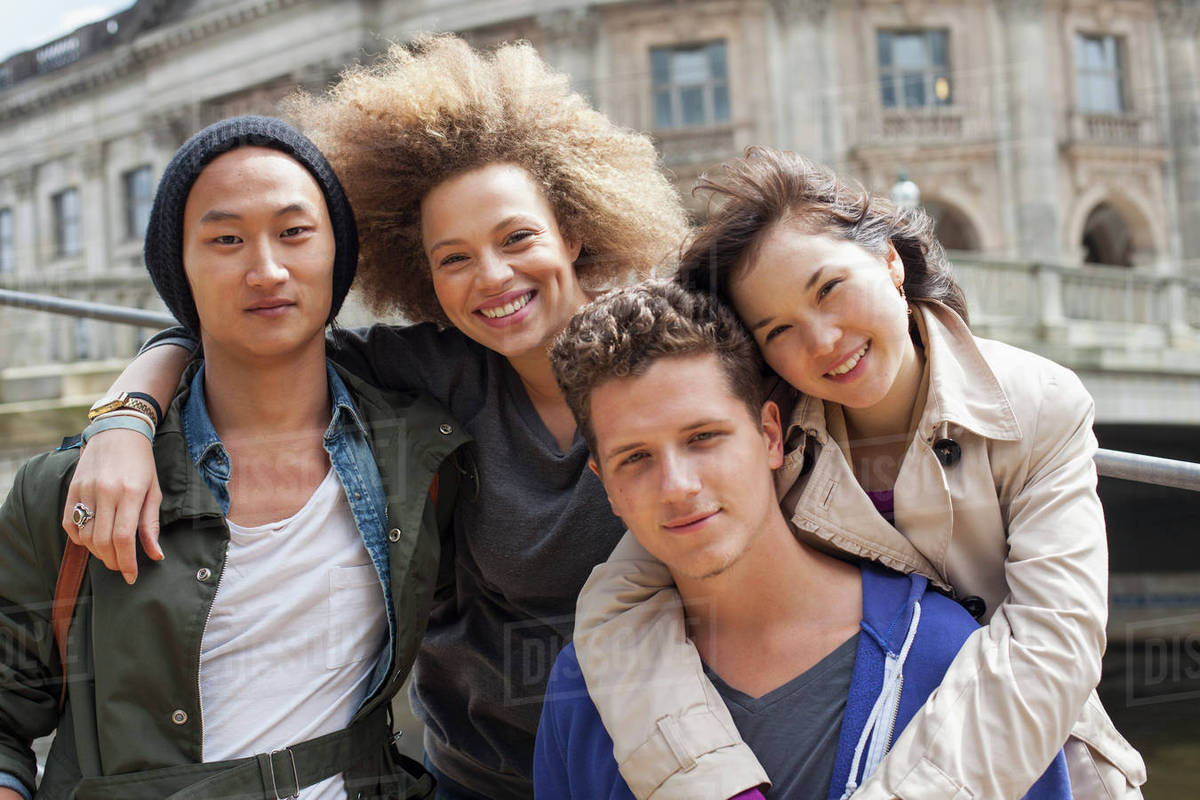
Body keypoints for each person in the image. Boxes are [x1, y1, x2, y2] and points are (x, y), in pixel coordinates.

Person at [58, 36, 689, 800]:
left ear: (574, 230)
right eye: (452, 258)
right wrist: (124, 418)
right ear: (421, 275)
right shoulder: (433, 371)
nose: (493, 277)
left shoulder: (677, 351)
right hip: (490, 776)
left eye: (517, 238)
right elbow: (242, 330)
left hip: (679, 755)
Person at [570, 148, 1146, 799]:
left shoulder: (1038, 403)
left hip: (1041, 759)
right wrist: (714, 784)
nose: (822, 341)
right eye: (779, 329)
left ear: (890, 261)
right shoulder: (768, 432)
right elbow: (622, 601)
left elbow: (1053, 644)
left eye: (829, 289)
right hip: (842, 745)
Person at [0, 115, 468, 799]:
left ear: (338, 254)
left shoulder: (423, 457)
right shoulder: (70, 491)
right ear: (179, 271)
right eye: (226, 239)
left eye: (295, 232)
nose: (268, 269)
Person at [534, 280, 1071, 799]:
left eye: (703, 438)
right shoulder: (584, 688)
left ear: (771, 436)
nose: (678, 487)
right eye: (636, 458)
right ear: (607, 487)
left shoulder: (948, 656)